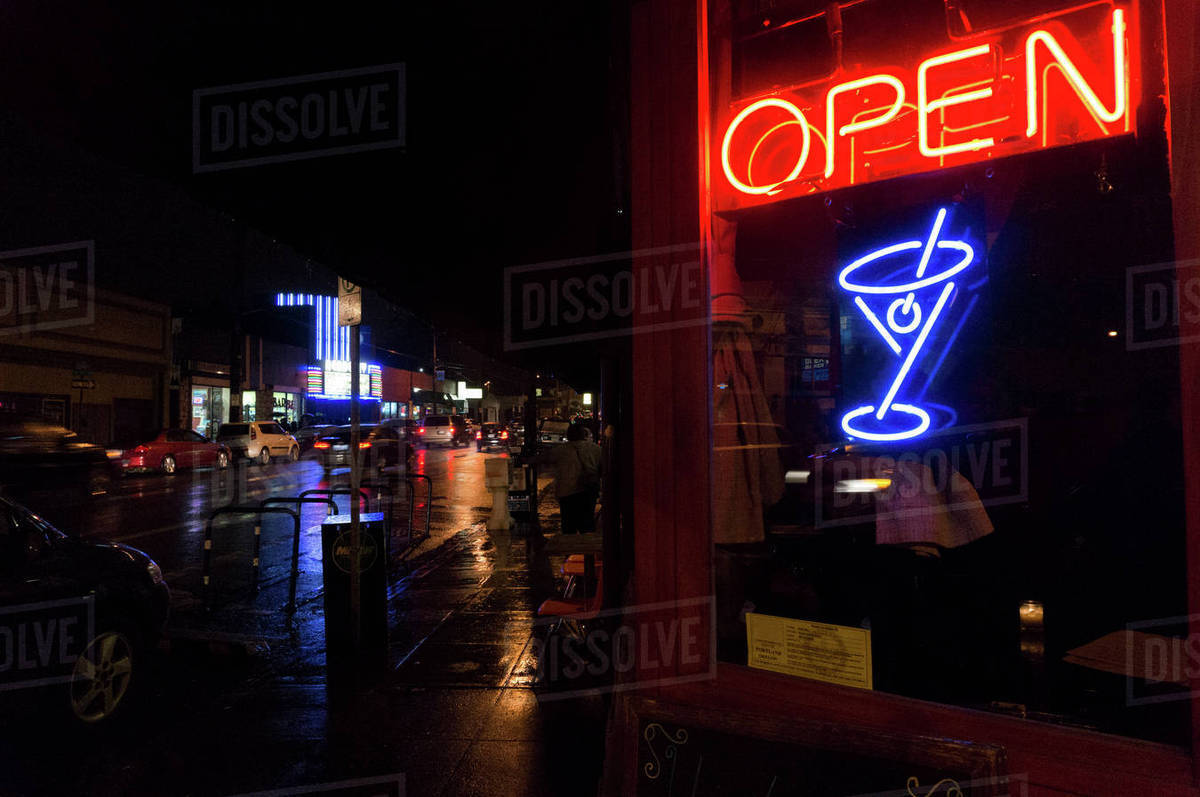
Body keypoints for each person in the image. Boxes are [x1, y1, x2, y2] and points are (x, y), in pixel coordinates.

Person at [535, 422, 602, 534]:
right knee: (587, 523)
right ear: (583, 435)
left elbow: (543, 459)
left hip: (567, 492)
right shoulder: (596, 449)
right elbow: (603, 468)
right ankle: (587, 548)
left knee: (568, 524)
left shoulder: (561, 450)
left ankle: (570, 546)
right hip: (588, 491)